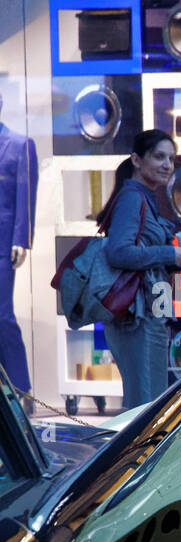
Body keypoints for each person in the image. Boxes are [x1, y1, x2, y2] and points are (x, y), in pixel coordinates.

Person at [99, 129, 181, 409]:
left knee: (151, 403)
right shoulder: (132, 197)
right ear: (137, 160)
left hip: (147, 313)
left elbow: (138, 251)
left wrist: (173, 257)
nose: (167, 165)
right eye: (159, 157)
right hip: (137, 317)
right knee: (145, 406)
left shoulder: (143, 197)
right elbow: (119, 252)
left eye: (171, 159)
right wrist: (171, 253)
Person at [0, 89, 38, 401]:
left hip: (3, 243)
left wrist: (21, 239)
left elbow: (26, 193)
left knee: (2, 315)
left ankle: (20, 388)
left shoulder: (19, 144)